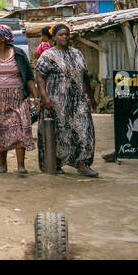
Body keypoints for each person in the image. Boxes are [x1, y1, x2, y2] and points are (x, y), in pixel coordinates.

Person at [35, 23, 99, 177]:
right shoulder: (48, 55)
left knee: (85, 130)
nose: (65, 37)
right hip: (56, 101)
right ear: (54, 37)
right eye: (61, 34)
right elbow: (40, 77)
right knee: (59, 133)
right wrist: (44, 97)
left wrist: (91, 97)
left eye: (67, 34)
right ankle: (54, 163)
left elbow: (85, 77)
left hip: (78, 101)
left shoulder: (77, 53)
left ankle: (83, 164)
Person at [0, 24, 39, 176]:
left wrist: (36, 96)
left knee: (20, 128)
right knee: (0, 130)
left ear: (3, 38)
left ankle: (21, 165)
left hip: (18, 97)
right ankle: (3, 165)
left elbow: (29, 77)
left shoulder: (18, 53)